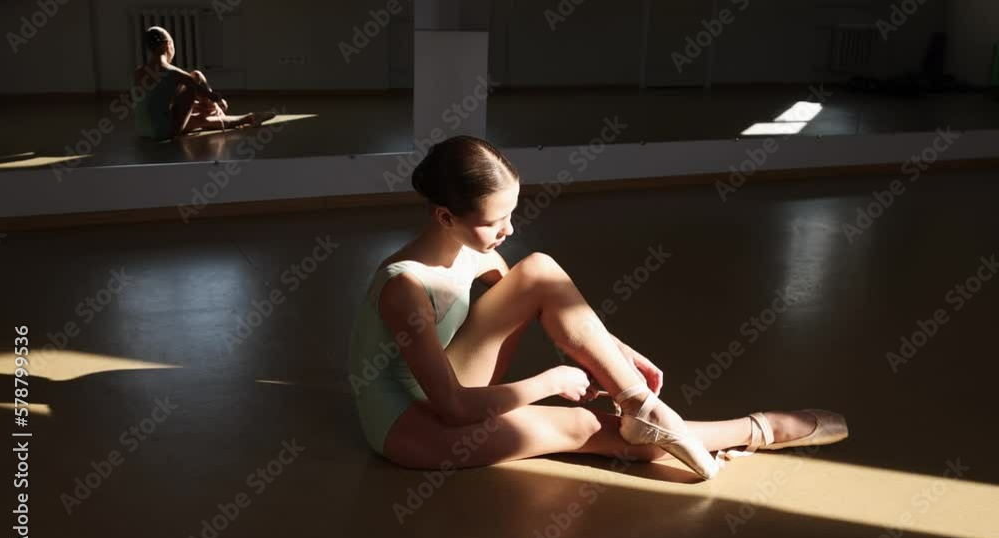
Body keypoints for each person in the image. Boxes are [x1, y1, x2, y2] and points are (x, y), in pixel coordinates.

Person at [347, 135, 848, 480]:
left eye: (512, 213)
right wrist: (551, 382)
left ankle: (642, 406)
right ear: (444, 217)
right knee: (587, 428)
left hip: (443, 387)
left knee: (539, 269)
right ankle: (758, 429)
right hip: (413, 426)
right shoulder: (404, 288)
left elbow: (554, 303)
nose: (509, 230)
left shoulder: (471, 251)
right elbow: (454, 410)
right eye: (494, 221)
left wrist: (613, 355)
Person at [133, 26, 275, 140]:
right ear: (168, 45)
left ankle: (248, 117)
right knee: (196, 79)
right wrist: (218, 102)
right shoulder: (172, 72)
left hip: (143, 130)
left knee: (197, 114)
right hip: (163, 131)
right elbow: (204, 91)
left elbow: (157, 102)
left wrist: (196, 105)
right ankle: (248, 117)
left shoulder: (138, 72)